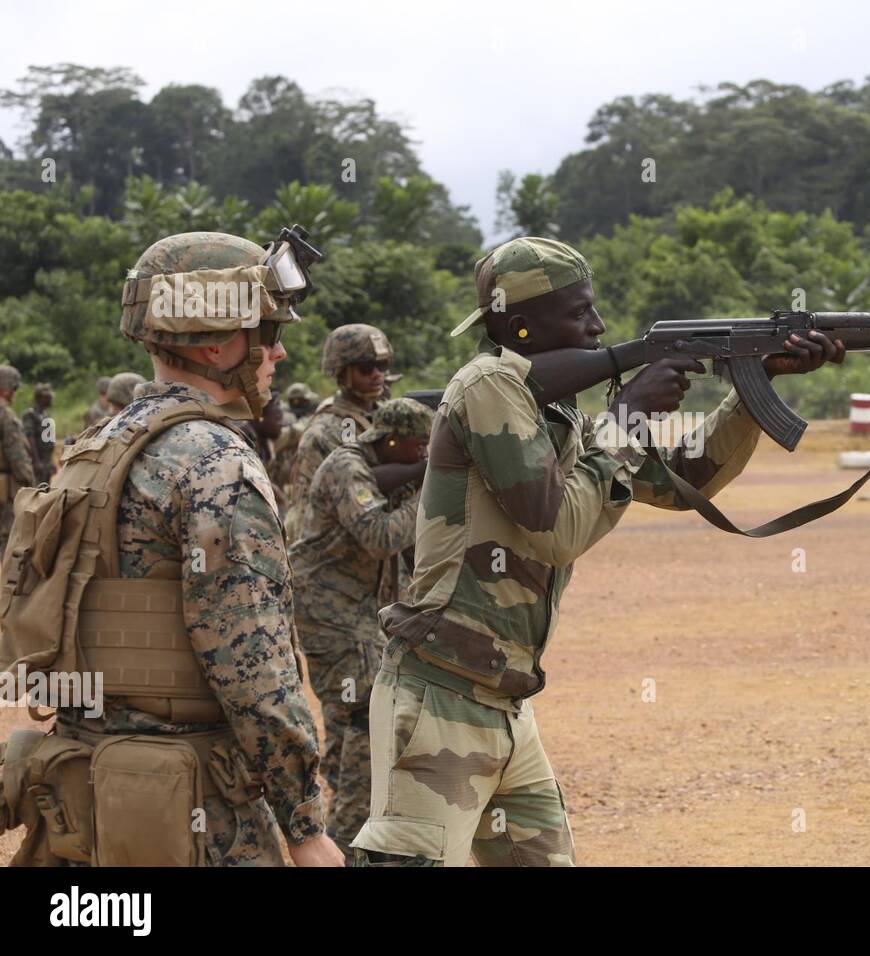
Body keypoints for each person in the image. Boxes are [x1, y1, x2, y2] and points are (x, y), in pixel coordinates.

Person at [351, 237, 842, 866]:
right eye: (580, 312)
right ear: (517, 323)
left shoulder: (555, 409)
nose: (599, 326)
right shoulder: (486, 384)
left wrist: (757, 382)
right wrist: (628, 415)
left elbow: (684, 477)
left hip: (503, 699)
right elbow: (555, 526)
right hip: (441, 694)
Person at [1, 231, 343, 867]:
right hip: (195, 808)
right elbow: (255, 669)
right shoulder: (217, 462)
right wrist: (304, 824)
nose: (280, 351)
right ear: (219, 341)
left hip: (85, 791)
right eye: (267, 332)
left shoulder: (95, 446)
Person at [289, 396, 429, 858]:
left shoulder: (385, 465)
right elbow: (380, 536)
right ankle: (351, 843)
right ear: (390, 441)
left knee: (352, 728)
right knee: (364, 722)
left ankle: (354, 834)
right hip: (329, 613)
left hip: (358, 614)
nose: (424, 456)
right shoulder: (346, 466)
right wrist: (428, 489)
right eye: (417, 448)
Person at [283, 325, 392, 543]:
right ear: (342, 372)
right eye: (366, 368)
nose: (377, 374)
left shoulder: (383, 416)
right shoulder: (326, 431)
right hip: (332, 557)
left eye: (382, 365)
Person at [0, 364, 36, 556]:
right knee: (8, 538)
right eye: (14, 388)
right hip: (5, 489)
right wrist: (30, 484)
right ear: (5, 389)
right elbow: (17, 456)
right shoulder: (5, 415)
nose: (14, 393)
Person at [21, 382, 56, 485]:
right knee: (36, 491)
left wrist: (51, 462)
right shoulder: (30, 415)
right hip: (37, 462)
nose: (51, 399)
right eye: (48, 397)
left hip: (46, 463)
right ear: (41, 398)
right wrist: (36, 461)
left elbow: (48, 443)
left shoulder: (45, 415)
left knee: (46, 490)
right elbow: (29, 437)